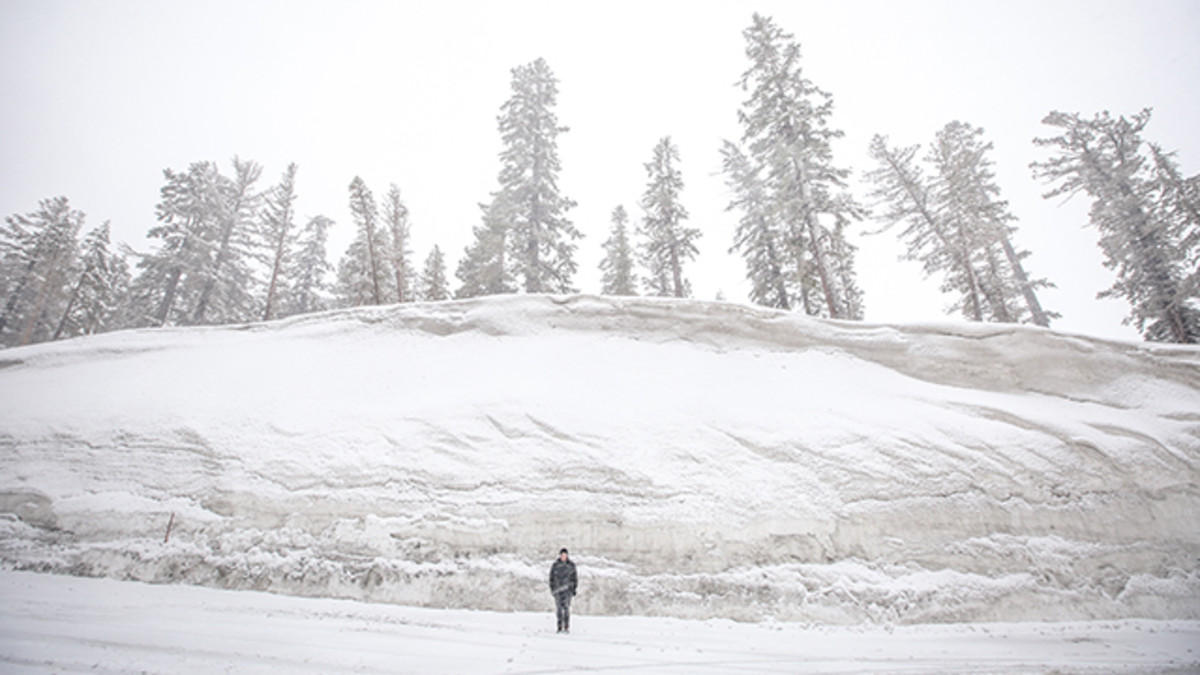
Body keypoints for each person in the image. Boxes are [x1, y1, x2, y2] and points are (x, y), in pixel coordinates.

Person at [548, 548, 577, 633]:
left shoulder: (571, 565)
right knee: (559, 609)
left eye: (565, 555)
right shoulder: (555, 565)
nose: (563, 556)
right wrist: (553, 588)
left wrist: (573, 588)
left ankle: (566, 626)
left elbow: (574, 578)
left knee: (567, 608)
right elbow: (551, 578)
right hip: (558, 590)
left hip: (567, 590)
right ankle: (559, 625)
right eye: (562, 555)